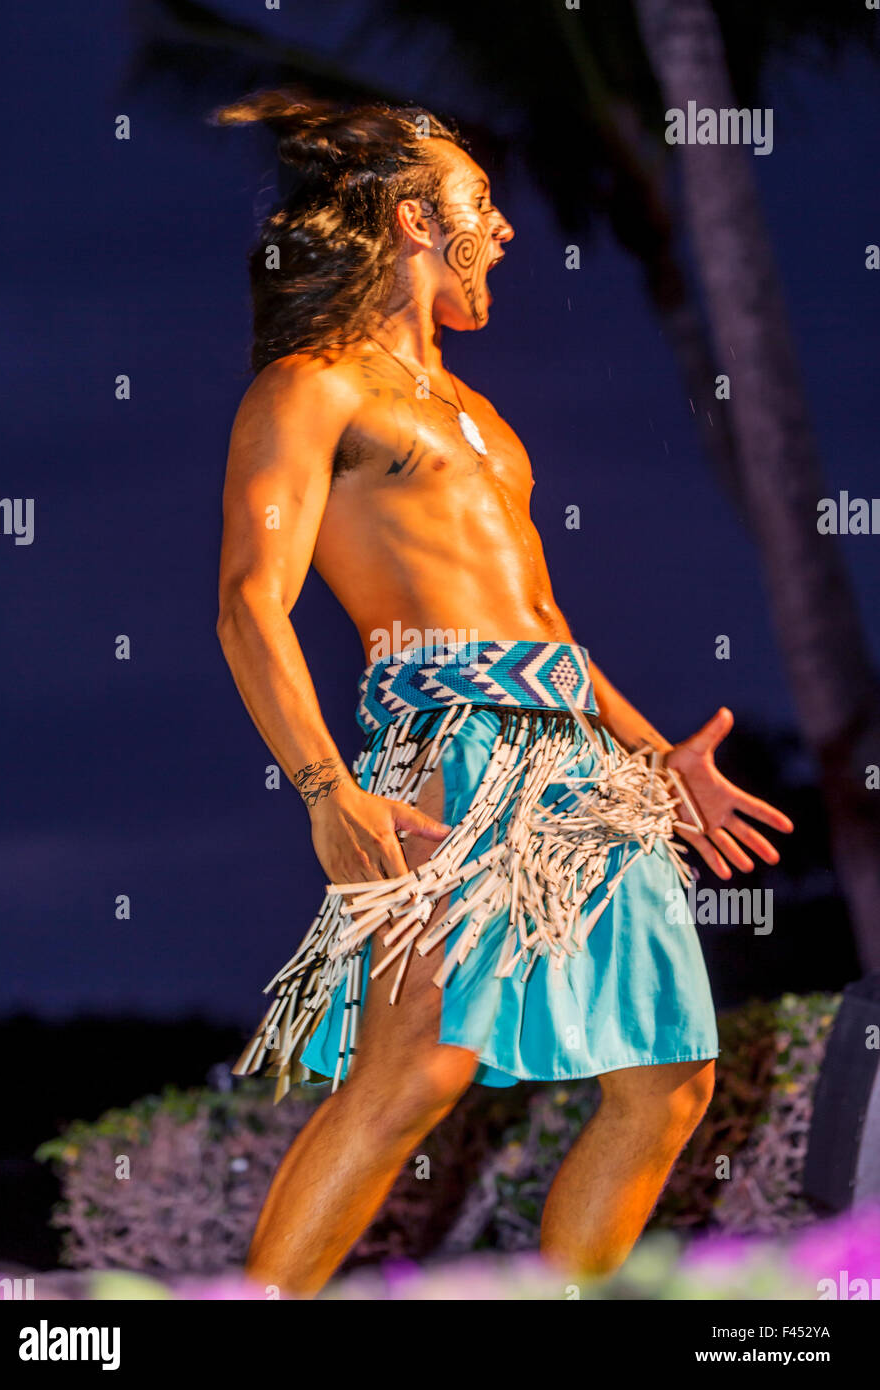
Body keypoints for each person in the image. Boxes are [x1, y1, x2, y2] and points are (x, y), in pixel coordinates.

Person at [213, 91, 793, 1297]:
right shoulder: (311, 389)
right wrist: (324, 788)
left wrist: (653, 757)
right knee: (414, 1070)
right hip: (445, 748)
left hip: (582, 772)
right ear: (420, 220)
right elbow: (248, 602)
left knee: (665, 1077)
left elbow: (546, 632)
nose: (507, 233)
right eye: (484, 206)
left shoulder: (480, 419)